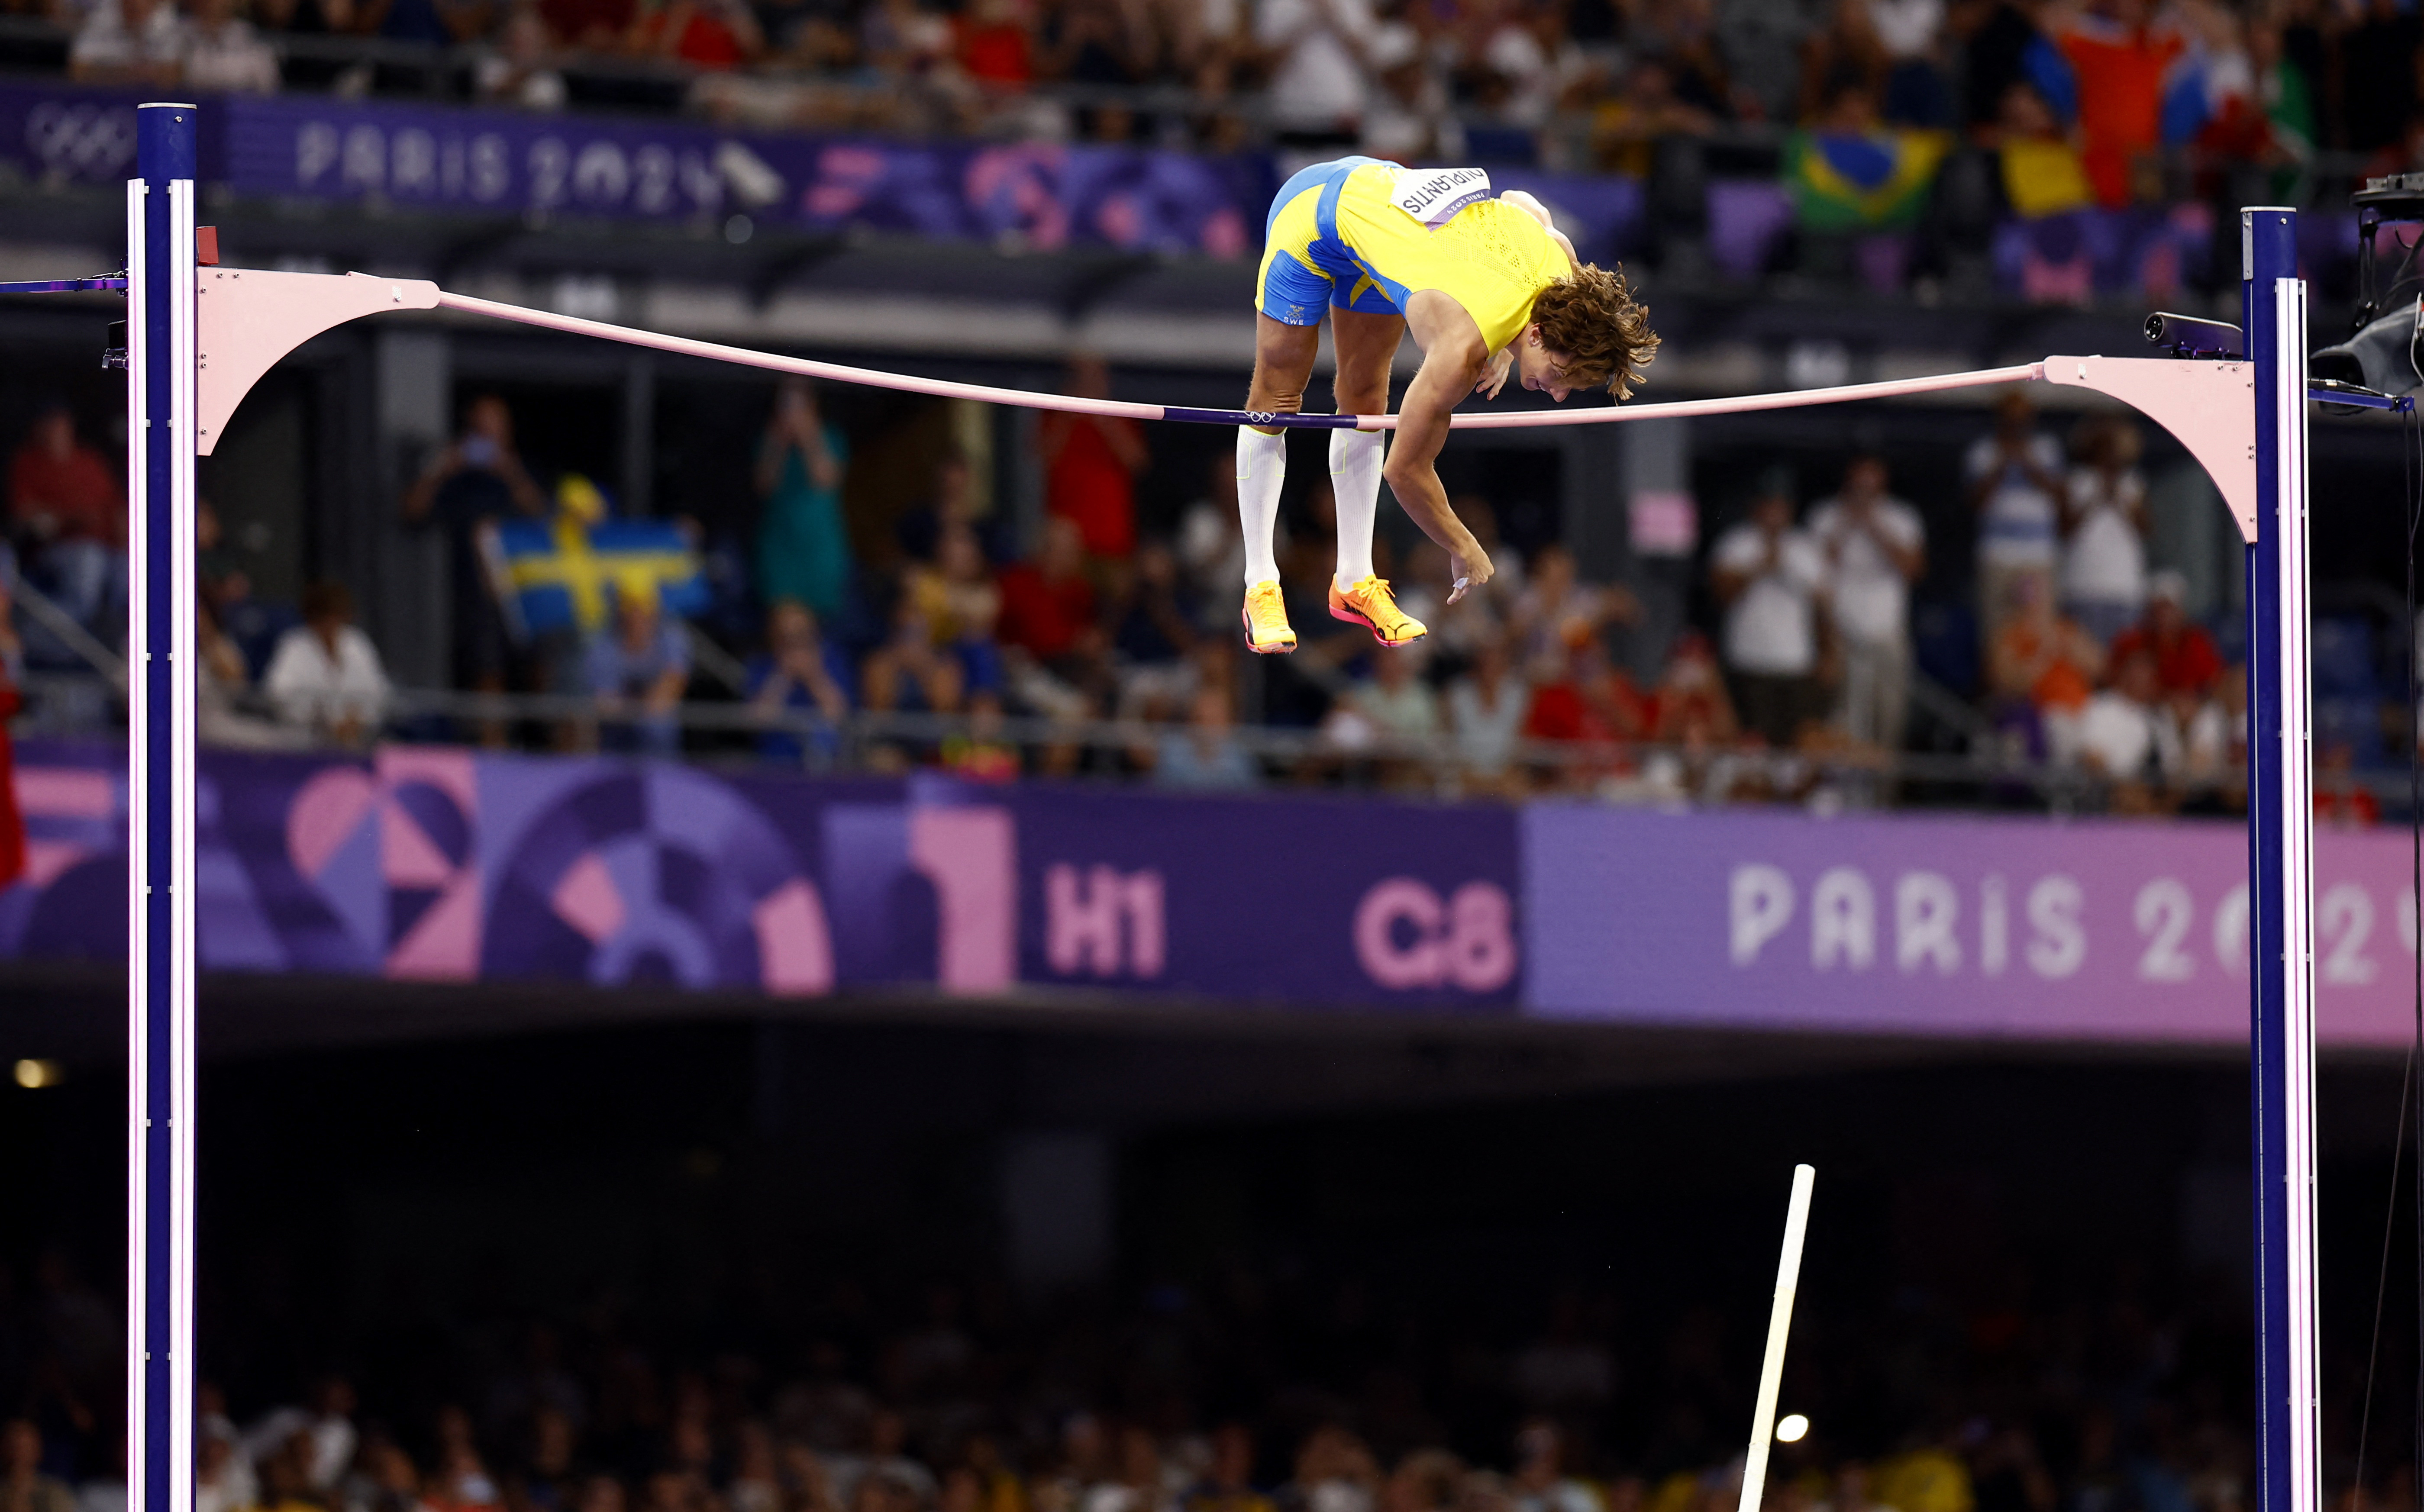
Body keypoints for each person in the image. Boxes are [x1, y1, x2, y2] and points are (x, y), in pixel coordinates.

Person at [1234, 158, 1660, 655]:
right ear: (1539, 334)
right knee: (1279, 398)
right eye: (1561, 376)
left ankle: (1353, 580)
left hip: (1381, 229)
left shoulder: (1562, 274)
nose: (1559, 393)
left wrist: (1509, 346)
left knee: (1366, 399)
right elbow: (1405, 471)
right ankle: (1260, 584)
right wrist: (1464, 546)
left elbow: (1521, 203)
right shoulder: (1460, 349)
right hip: (1316, 213)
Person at [403, 395, 549, 707]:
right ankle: (490, 736)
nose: (487, 438)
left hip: (526, 589)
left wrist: (509, 471)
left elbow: (542, 514)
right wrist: (442, 468)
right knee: (486, 672)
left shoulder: (521, 471)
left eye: (494, 429)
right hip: (476, 593)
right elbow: (412, 511)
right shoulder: (458, 478)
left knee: (541, 669)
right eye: (480, 430)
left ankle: (548, 736)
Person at [1804, 454, 1924, 750]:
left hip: (1886, 631)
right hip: (1841, 632)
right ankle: (1844, 778)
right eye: (1859, 484)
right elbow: (1813, 570)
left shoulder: (1901, 517)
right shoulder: (1825, 515)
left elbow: (1913, 570)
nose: (1864, 491)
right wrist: (1847, 525)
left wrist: (1874, 526)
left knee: (1889, 716)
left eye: (1871, 484)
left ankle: (1886, 778)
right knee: (1843, 717)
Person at [1710, 479, 1828, 748]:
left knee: (1794, 740)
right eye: (1769, 506)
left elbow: (1823, 606)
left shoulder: (1805, 547)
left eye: (1780, 507)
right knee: (1754, 741)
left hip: (1796, 660)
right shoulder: (1736, 543)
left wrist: (1828, 652)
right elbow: (1721, 594)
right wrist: (1760, 566)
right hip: (1748, 658)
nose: (1774, 513)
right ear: (1757, 508)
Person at [8, 406, 126, 638]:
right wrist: (72, 519)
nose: (58, 430)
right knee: (89, 563)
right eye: (51, 425)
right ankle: (35, 641)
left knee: (135, 569)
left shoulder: (90, 461)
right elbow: (26, 516)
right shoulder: (29, 462)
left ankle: (117, 640)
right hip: (61, 550)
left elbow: (117, 505)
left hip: (109, 547)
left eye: (62, 425)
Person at [1966, 390, 2064, 636]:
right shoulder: (1983, 451)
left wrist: (2026, 459)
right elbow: (1975, 503)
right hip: (1997, 554)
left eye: (2021, 419)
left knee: (2039, 629)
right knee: (1998, 631)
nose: (2016, 425)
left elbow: (2060, 495)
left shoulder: (2047, 448)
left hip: (2038, 555)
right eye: (2010, 419)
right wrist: (2002, 461)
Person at [755, 380, 854, 624]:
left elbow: (825, 479)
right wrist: (779, 442)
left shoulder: (831, 437)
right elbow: (764, 485)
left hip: (819, 546)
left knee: (819, 621)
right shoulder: (770, 439)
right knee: (782, 618)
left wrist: (809, 437)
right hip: (781, 544)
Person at [1037, 357, 1147, 562]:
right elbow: (1043, 455)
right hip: (1067, 533)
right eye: (1081, 377)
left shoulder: (1121, 414)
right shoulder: (1055, 415)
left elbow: (1137, 460)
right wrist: (1068, 412)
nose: (1087, 383)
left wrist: (1103, 417)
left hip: (1111, 532)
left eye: (1094, 376)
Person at [262, 580, 392, 746]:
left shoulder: (358, 643)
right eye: (327, 617)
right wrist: (324, 719)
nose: (333, 623)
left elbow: (378, 692)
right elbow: (278, 693)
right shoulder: (294, 645)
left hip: (356, 738)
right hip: (304, 740)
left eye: (338, 616)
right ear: (314, 618)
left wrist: (358, 718)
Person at [2060, 416, 2148, 644]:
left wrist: (2119, 497)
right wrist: (2097, 497)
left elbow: (2146, 529)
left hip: (2124, 588)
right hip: (2083, 587)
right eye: (2104, 447)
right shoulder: (2077, 481)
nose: (2110, 454)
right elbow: (2064, 529)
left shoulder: (2132, 483)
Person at [582, 589, 691, 757]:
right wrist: (638, 706)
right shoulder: (603, 646)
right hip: (618, 729)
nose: (637, 618)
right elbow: (606, 704)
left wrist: (640, 705)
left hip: (653, 724)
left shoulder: (671, 636)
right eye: (631, 610)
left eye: (643, 611)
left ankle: (663, 770)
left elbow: (672, 686)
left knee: (658, 725)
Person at [748, 600, 855, 767]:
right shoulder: (761, 666)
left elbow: (839, 717)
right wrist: (782, 677)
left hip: (828, 763)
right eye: (785, 636)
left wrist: (815, 678)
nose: (794, 643)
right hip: (775, 761)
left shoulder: (834, 662)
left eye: (800, 635)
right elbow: (757, 721)